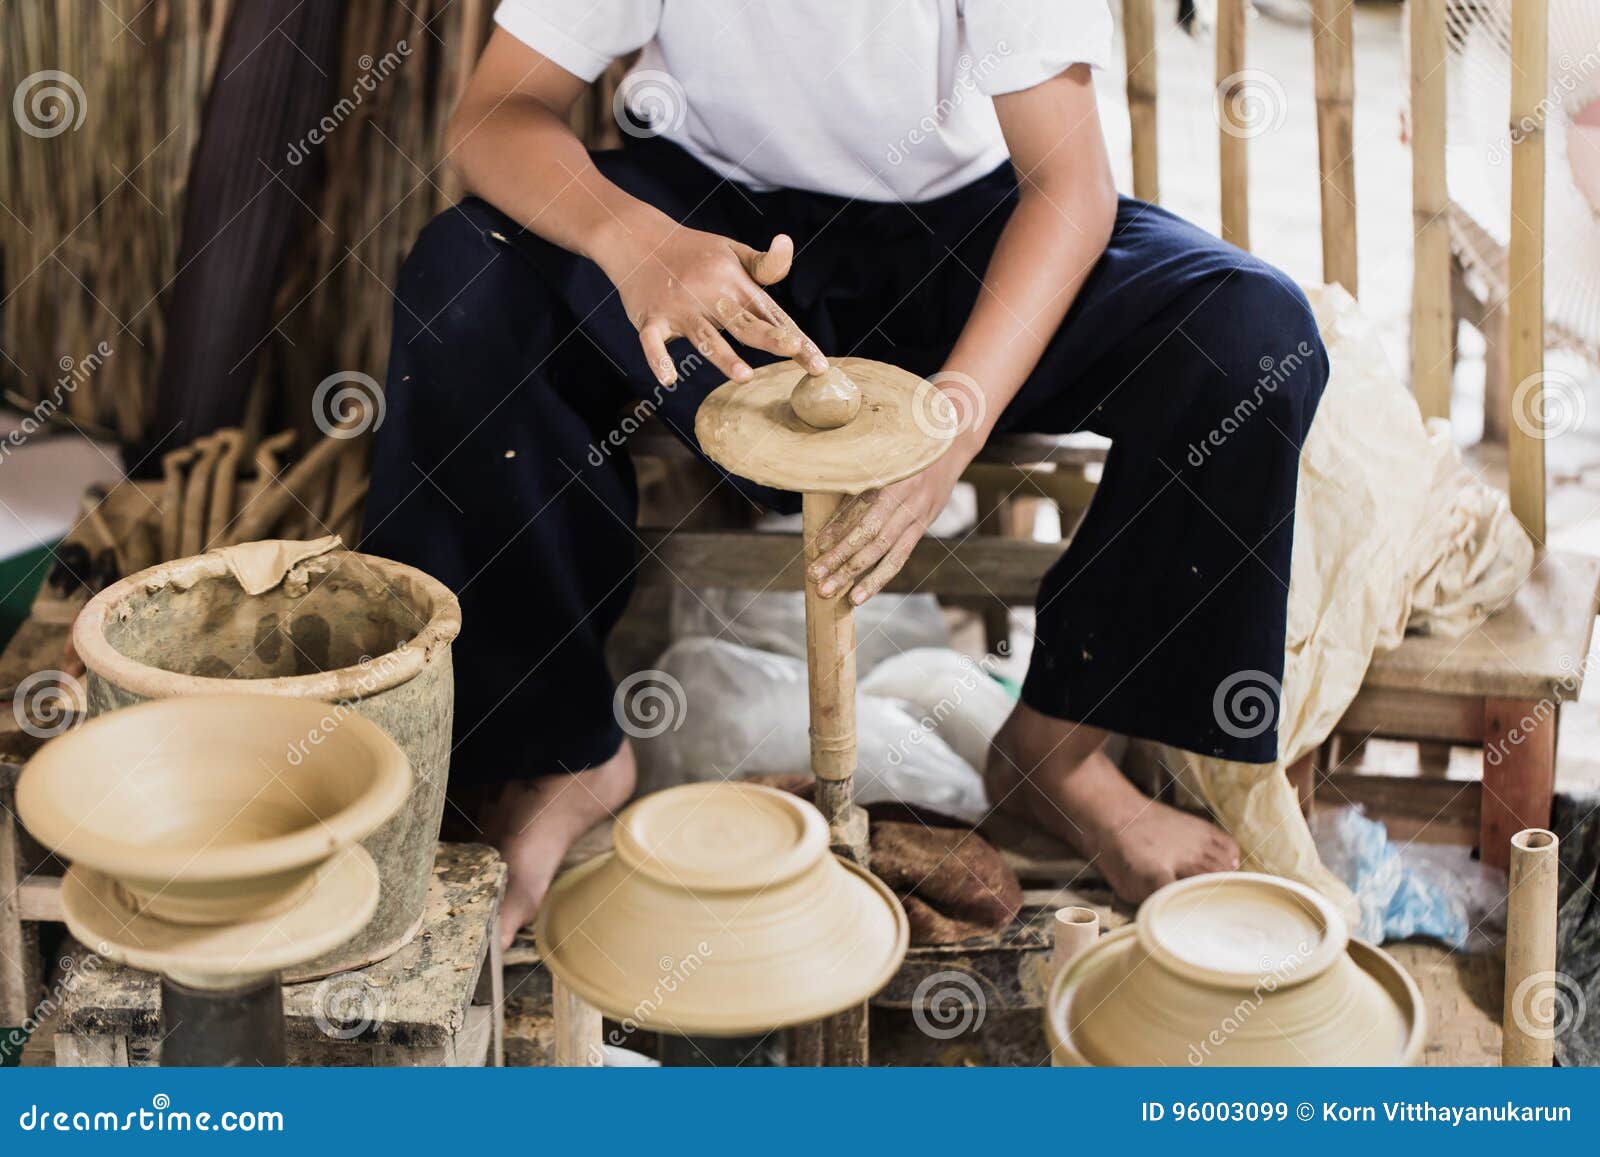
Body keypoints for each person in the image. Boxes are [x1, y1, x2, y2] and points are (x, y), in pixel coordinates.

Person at [362, 1, 1328, 947]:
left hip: (966, 245)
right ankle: (553, 753)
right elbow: (498, 115)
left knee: (1247, 338)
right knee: (466, 280)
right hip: (704, 230)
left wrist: (953, 413)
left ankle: (1061, 747)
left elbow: (1068, 189)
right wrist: (637, 241)